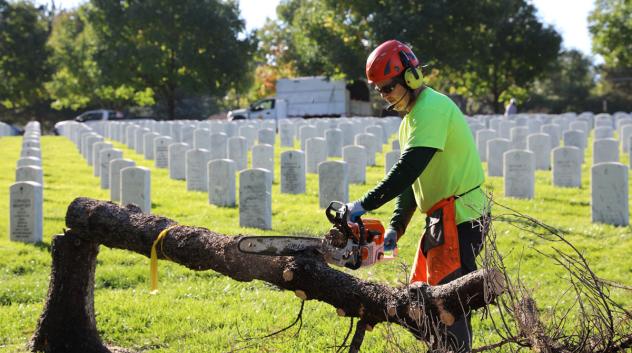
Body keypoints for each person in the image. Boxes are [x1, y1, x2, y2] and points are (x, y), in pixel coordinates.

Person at [345, 40, 490, 353]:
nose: (384, 97)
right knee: (426, 296)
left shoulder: (432, 109)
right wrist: (397, 226)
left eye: (387, 88)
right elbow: (413, 182)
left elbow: (407, 169)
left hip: (462, 215)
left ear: (410, 79)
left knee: (450, 300)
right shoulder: (411, 119)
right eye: (379, 91)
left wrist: (361, 205)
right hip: (441, 216)